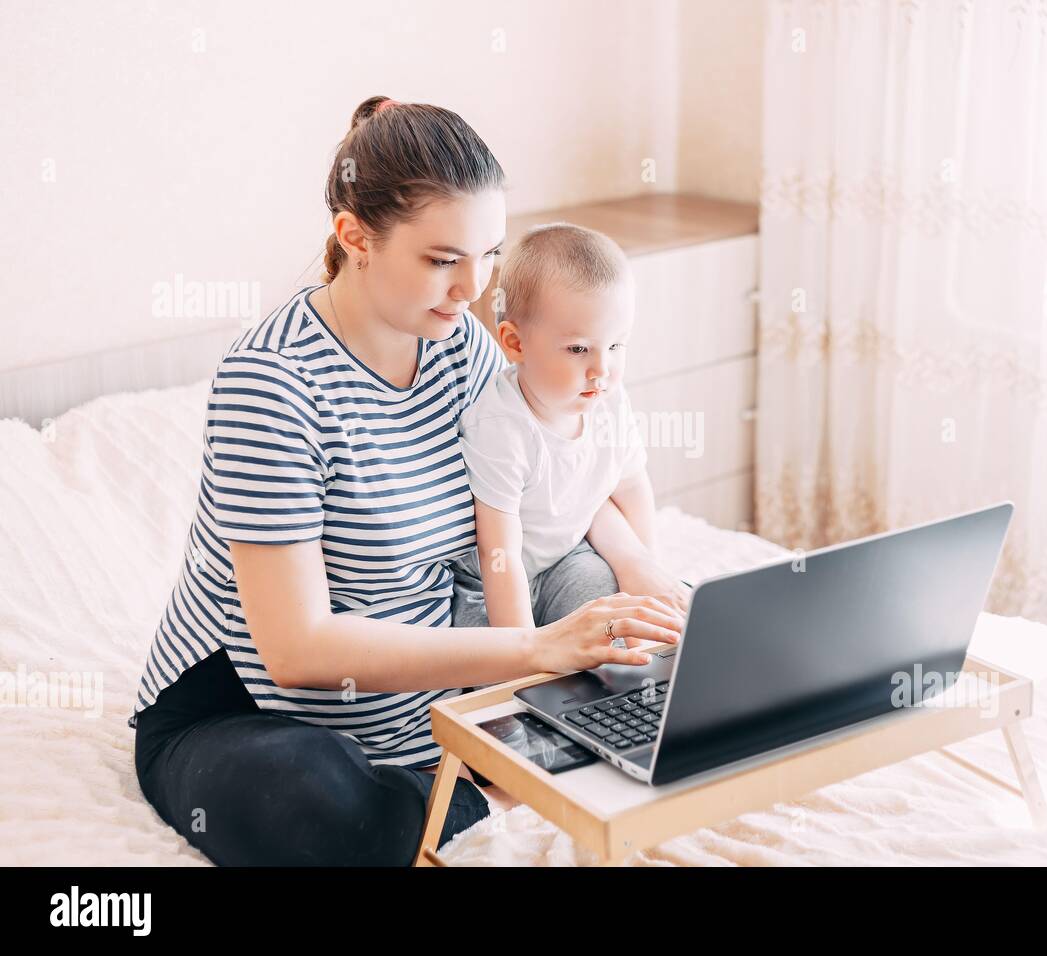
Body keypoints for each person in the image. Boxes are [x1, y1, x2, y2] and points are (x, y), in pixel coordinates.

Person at [130, 96, 684, 866]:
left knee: (627, 629)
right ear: (354, 237)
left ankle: (503, 758)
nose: (475, 288)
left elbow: (557, 479)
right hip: (252, 707)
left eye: (489, 254)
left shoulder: (464, 348)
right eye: (442, 259)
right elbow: (297, 649)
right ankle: (491, 784)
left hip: (431, 688)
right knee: (316, 806)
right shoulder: (273, 385)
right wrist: (531, 650)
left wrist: (642, 570)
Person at [449, 222, 689, 631]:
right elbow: (498, 551)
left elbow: (631, 487)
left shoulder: (610, 401)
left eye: (615, 346)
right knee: (493, 667)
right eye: (579, 349)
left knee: (619, 624)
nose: (602, 369)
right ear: (515, 343)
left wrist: (647, 575)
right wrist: (523, 652)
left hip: (565, 559)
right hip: (491, 584)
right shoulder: (501, 426)